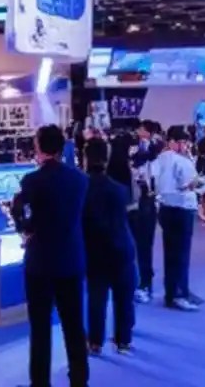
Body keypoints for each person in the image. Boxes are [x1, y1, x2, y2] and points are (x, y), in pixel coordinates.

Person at [11, 124, 89, 387]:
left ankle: (40, 383)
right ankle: (79, 380)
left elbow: (23, 217)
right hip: (71, 259)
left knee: (40, 328)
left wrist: (25, 229)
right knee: (74, 325)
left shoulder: (32, 181)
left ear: (39, 146)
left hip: (40, 262)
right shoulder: (80, 179)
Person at [82, 138, 137, 356]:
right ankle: (123, 340)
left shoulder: (81, 188)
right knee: (124, 296)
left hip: (95, 250)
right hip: (121, 247)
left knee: (96, 297)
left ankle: (95, 341)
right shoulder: (120, 190)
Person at [154, 126, 203, 311]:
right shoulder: (175, 160)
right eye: (182, 141)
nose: (185, 145)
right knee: (180, 253)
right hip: (179, 208)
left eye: (186, 141)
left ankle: (175, 291)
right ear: (172, 141)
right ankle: (178, 294)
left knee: (173, 253)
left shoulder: (165, 158)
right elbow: (187, 183)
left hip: (170, 208)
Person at [130, 121, 161, 304]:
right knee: (138, 244)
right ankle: (142, 281)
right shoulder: (135, 148)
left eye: (141, 129)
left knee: (144, 244)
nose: (138, 131)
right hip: (138, 198)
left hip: (148, 199)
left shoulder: (157, 149)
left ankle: (145, 283)